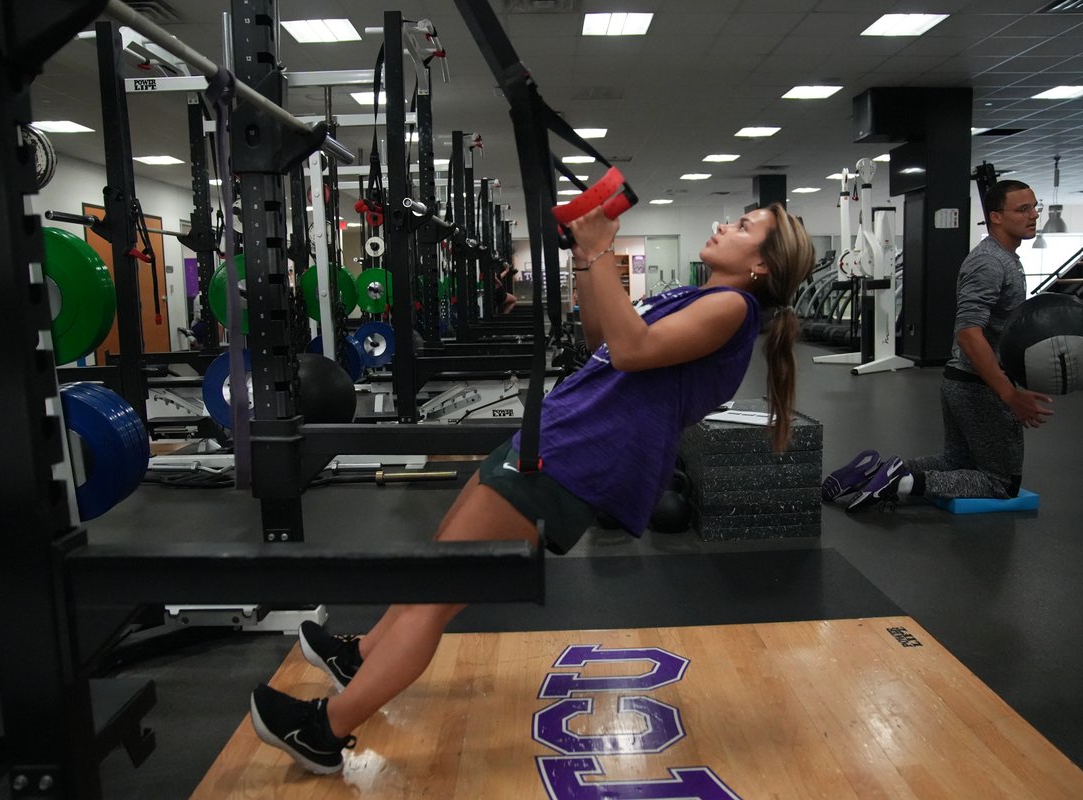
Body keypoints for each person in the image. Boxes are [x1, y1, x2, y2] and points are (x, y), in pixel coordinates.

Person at [247, 203, 816, 774]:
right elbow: (601, 337)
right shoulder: (694, 297)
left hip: (575, 460)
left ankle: (325, 729)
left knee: (433, 594)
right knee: (435, 568)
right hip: (554, 437)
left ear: (762, 266)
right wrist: (584, 260)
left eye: (744, 227)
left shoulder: (732, 308)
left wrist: (598, 251)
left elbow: (633, 350)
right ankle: (361, 656)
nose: (724, 224)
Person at [824, 179, 1053, 513]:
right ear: (996, 217)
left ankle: (873, 472)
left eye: (1035, 207)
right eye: (1023, 209)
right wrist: (1008, 394)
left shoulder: (1005, 258)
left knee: (955, 460)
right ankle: (899, 483)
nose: (1033, 215)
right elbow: (969, 332)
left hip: (964, 380)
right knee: (999, 482)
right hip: (981, 386)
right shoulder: (989, 262)